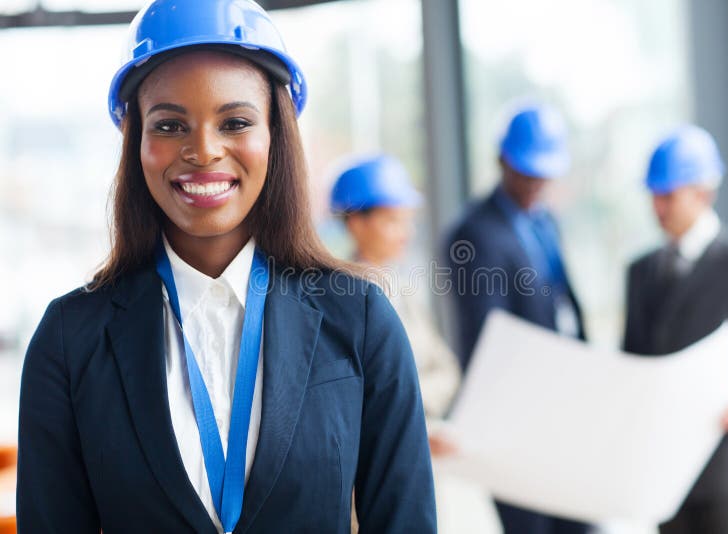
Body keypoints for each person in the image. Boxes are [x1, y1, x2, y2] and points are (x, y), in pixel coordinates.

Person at [16, 1, 436, 533]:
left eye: (235, 121)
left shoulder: (361, 321)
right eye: (169, 125)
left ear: (274, 137)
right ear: (136, 143)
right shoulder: (69, 341)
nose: (204, 150)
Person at [623, 125, 728, 534]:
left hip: (724, 463)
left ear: (703, 193)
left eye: (668, 196)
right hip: (665, 462)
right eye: (654, 196)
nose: (657, 207)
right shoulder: (641, 273)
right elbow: (633, 357)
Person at [445, 105, 588, 534]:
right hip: (518, 413)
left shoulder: (545, 221)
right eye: (527, 173)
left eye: (544, 175)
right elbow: (490, 336)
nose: (535, 185)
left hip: (564, 404)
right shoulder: (473, 233)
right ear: (501, 162)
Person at [330, 154, 461, 422]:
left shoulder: (402, 287)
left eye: (408, 220)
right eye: (393, 221)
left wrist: (412, 405)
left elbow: (447, 369)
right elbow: (361, 398)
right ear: (356, 223)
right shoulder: (338, 298)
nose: (407, 233)